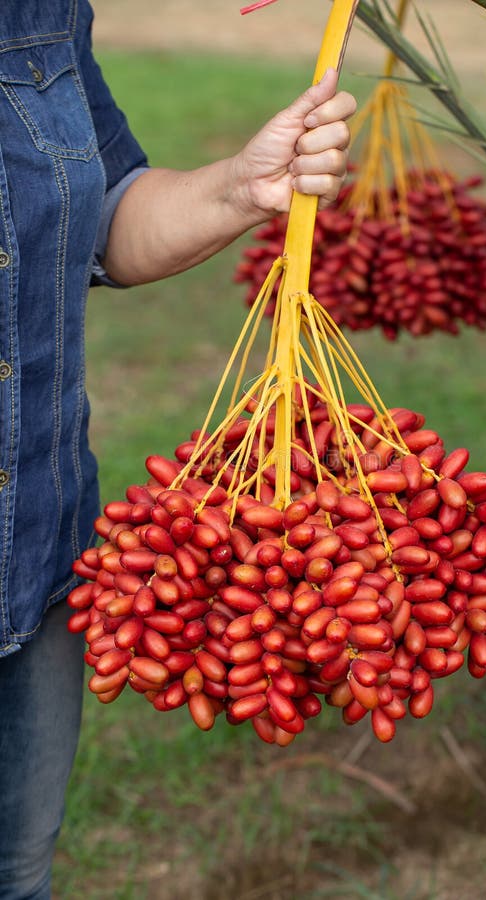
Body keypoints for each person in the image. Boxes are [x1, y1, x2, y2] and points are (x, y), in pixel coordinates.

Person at [0, 2, 357, 897]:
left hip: (33, 548)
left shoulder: (36, 15)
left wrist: (244, 186)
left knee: (16, 873)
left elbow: (111, 219)